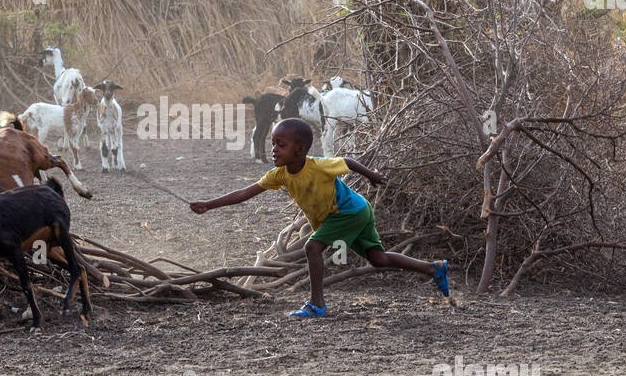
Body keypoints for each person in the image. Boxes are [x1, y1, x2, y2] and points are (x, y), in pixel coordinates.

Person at [191, 117, 449, 317]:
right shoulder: (279, 175)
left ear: (300, 149)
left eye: (281, 145)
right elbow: (245, 193)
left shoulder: (317, 166)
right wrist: (209, 205)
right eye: (273, 144)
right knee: (378, 259)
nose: (274, 150)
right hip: (359, 210)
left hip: (349, 211)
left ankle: (316, 305)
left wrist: (372, 176)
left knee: (312, 247)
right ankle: (433, 268)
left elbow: (348, 161)